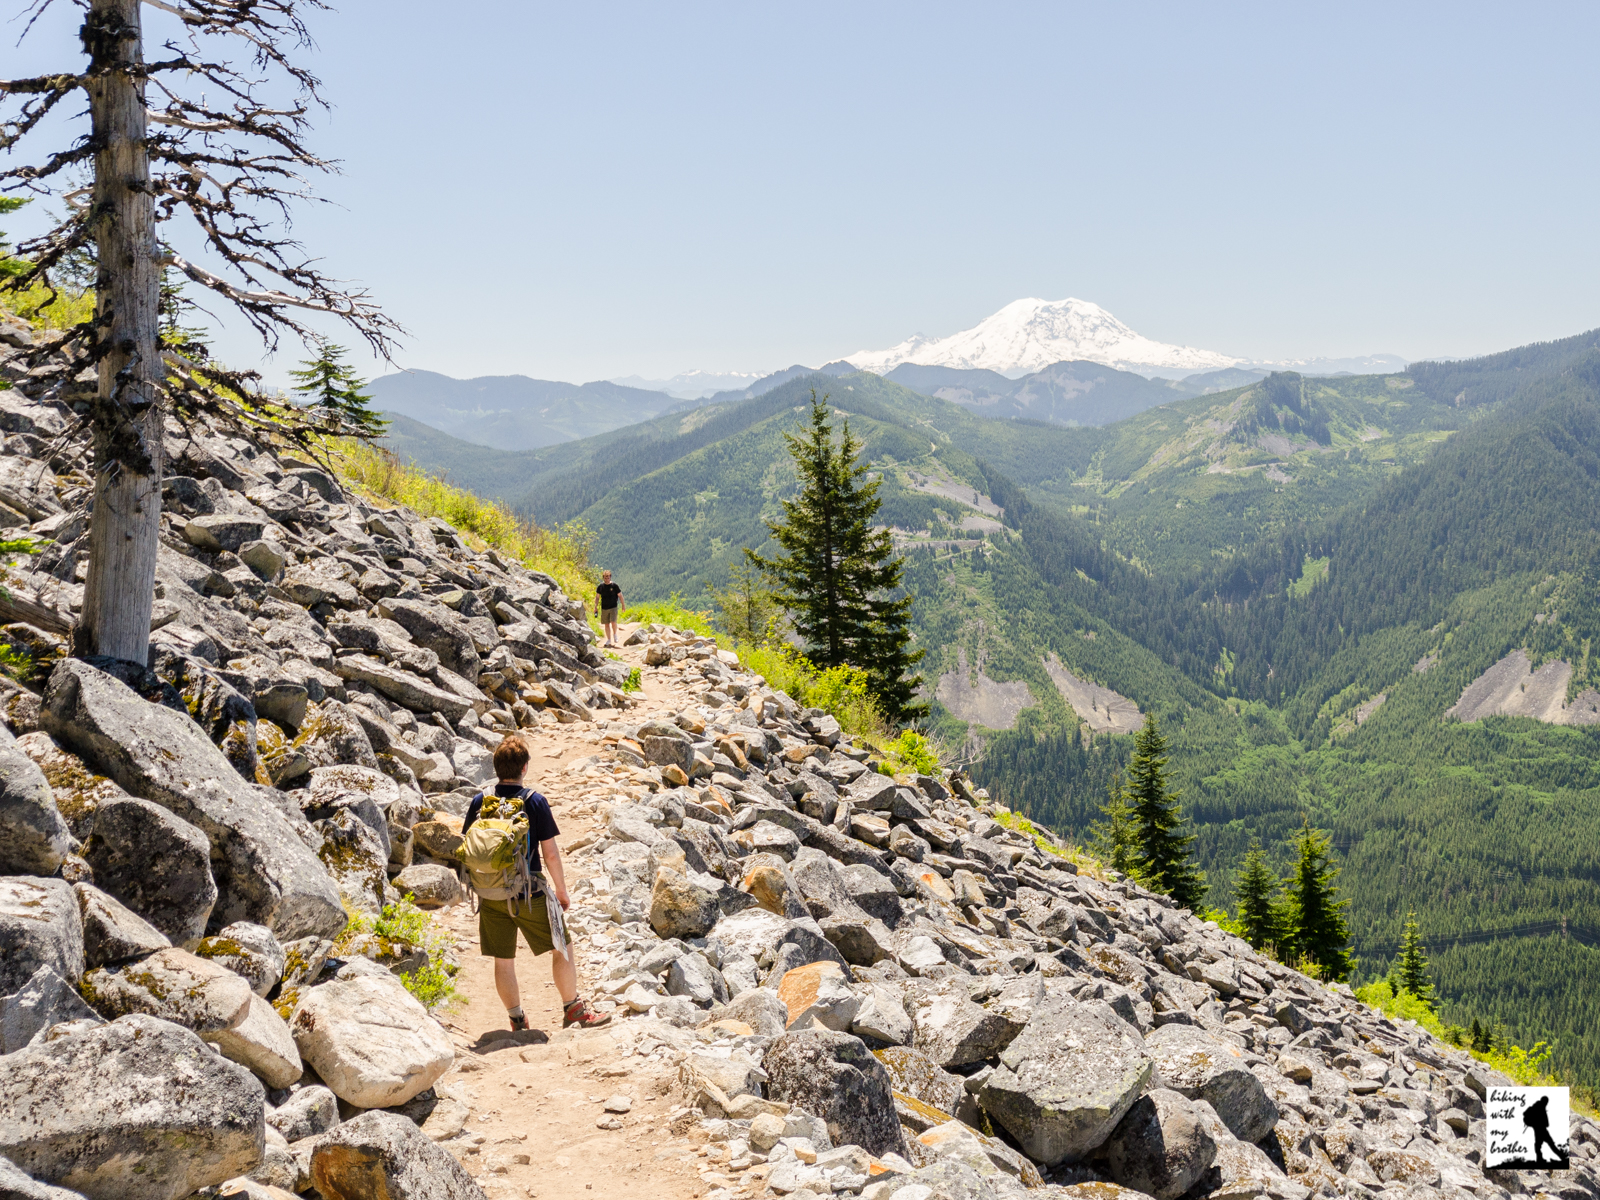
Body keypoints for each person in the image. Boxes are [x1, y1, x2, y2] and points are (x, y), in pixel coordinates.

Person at [461, 733, 610, 1030]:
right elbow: (551, 854)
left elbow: (467, 842)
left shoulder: (480, 801)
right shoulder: (535, 801)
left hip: (490, 893)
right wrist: (562, 891)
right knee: (562, 946)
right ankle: (573, 1010)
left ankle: (516, 1018)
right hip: (529, 893)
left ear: (497, 768)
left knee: (503, 960)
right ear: (524, 768)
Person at [1523, 1095, 1563, 1166]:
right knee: (1551, 1144)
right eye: (1546, 1102)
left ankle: (1539, 1159)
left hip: (1537, 1129)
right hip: (1542, 1130)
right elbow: (1547, 1123)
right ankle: (1562, 1157)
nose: (1547, 1103)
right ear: (1545, 1102)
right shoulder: (1542, 1108)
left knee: (1538, 1145)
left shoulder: (1534, 1107)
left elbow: (1525, 1113)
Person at [595, 570, 624, 647]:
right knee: (606, 624)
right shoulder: (600, 587)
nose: (606, 579)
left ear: (610, 577)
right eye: (605, 578)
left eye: (608, 577)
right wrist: (595, 607)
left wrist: (623, 605)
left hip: (613, 607)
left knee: (613, 622)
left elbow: (620, 595)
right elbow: (597, 597)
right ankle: (608, 639)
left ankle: (615, 634)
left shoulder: (614, 586)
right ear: (603, 578)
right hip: (604, 608)